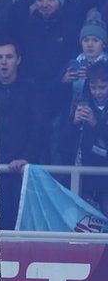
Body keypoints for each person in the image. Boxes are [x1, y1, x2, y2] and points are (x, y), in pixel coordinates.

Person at [0, 40, 49, 229]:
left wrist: (26, 157)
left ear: (18, 60)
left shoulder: (32, 90)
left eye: (9, 57)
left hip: (23, 173)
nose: (4, 61)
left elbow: (40, 128)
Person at [59, 60, 108, 209]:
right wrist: (73, 123)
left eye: (102, 87)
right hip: (83, 176)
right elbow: (63, 143)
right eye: (94, 87)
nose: (97, 92)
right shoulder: (80, 104)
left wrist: (96, 124)